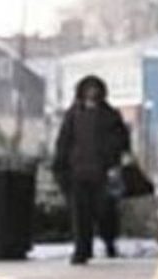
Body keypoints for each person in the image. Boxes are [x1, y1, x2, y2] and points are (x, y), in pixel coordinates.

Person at [52, 75, 131, 265]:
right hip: (78, 173)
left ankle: (109, 242)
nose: (92, 92)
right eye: (88, 89)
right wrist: (61, 167)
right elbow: (64, 142)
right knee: (80, 215)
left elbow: (122, 141)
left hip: (102, 174)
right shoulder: (73, 115)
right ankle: (82, 250)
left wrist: (111, 159)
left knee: (105, 211)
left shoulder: (110, 114)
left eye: (95, 89)